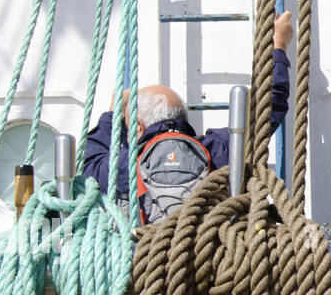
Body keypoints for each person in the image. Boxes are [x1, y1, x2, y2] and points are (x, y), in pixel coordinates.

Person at [82, 11, 293, 200]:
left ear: (138, 127)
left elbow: (91, 160)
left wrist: (112, 114)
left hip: (146, 243)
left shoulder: (125, 166)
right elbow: (270, 105)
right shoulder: (215, 149)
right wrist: (278, 45)